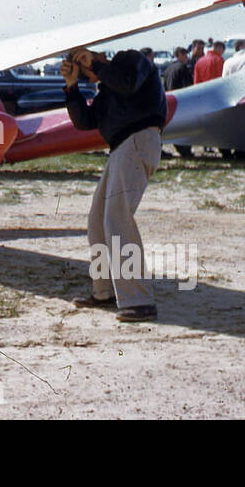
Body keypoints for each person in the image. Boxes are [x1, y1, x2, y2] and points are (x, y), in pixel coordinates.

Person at [62, 47, 165, 322]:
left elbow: (127, 83)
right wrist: (71, 88)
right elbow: (85, 122)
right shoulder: (106, 89)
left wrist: (95, 64)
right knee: (98, 221)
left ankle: (139, 300)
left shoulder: (129, 59)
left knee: (117, 219)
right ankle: (104, 291)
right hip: (122, 147)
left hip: (137, 140)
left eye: (83, 67)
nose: (87, 75)